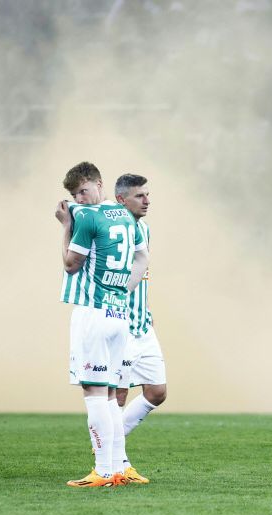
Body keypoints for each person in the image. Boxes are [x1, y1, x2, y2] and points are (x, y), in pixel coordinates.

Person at [56, 161, 149, 487]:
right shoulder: (124, 215)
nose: (79, 198)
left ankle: (103, 471)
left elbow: (70, 265)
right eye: (74, 194)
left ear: (98, 184)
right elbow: (142, 257)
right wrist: (125, 289)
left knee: (94, 393)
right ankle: (117, 468)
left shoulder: (87, 218)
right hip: (119, 314)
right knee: (111, 394)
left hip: (93, 314)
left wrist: (65, 226)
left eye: (83, 190)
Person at [112, 173, 167, 484]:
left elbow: (140, 275)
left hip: (143, 324)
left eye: (147, 195)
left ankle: (108, 443)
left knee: (157, 392)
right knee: (117, 395)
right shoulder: (109, 230)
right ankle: (116, 461)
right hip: (119, 325)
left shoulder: (144, 229)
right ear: (122, 200)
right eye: (139, 196)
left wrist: (145, 307)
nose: (147, 201)